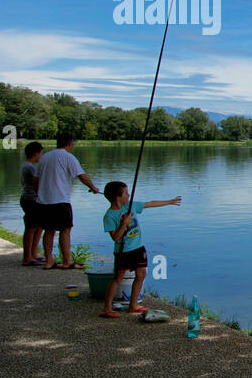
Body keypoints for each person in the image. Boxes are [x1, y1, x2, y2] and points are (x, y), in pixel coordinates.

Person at [99, 181, 181, 318]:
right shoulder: (109, 216)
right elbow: (115, 238)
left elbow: (150, 203)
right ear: (117, 197)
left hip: (138, 248)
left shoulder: (130, 206)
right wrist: (124, 223)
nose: (128, 195)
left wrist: (170, 201)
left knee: (141, 274)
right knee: (117, 278)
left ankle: (133, 305)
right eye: (126, 193)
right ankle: (106, 308)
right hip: (122, 252)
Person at [36, 133, 101, 269]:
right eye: (73, 145)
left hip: (43, 201)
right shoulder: (68, 157)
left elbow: (35, 179)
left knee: (48, 230)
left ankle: (49, 261)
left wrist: (40, 193)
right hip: (60, 200)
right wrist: (93, 187)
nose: (73, 147)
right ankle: (67, 261)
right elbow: (82, 176)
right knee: (65, 230)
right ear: (69, 144)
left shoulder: (44, 157)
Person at [19, 141, 45, 266]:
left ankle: (33, 254)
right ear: (36, 153)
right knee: (31, 227)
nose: (41, 156)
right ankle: (27, 257)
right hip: (31, 200)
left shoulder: (26, 165)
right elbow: (37, 184)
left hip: (31, 199)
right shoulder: (30, 167)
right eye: (41, 153)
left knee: (39, 226)